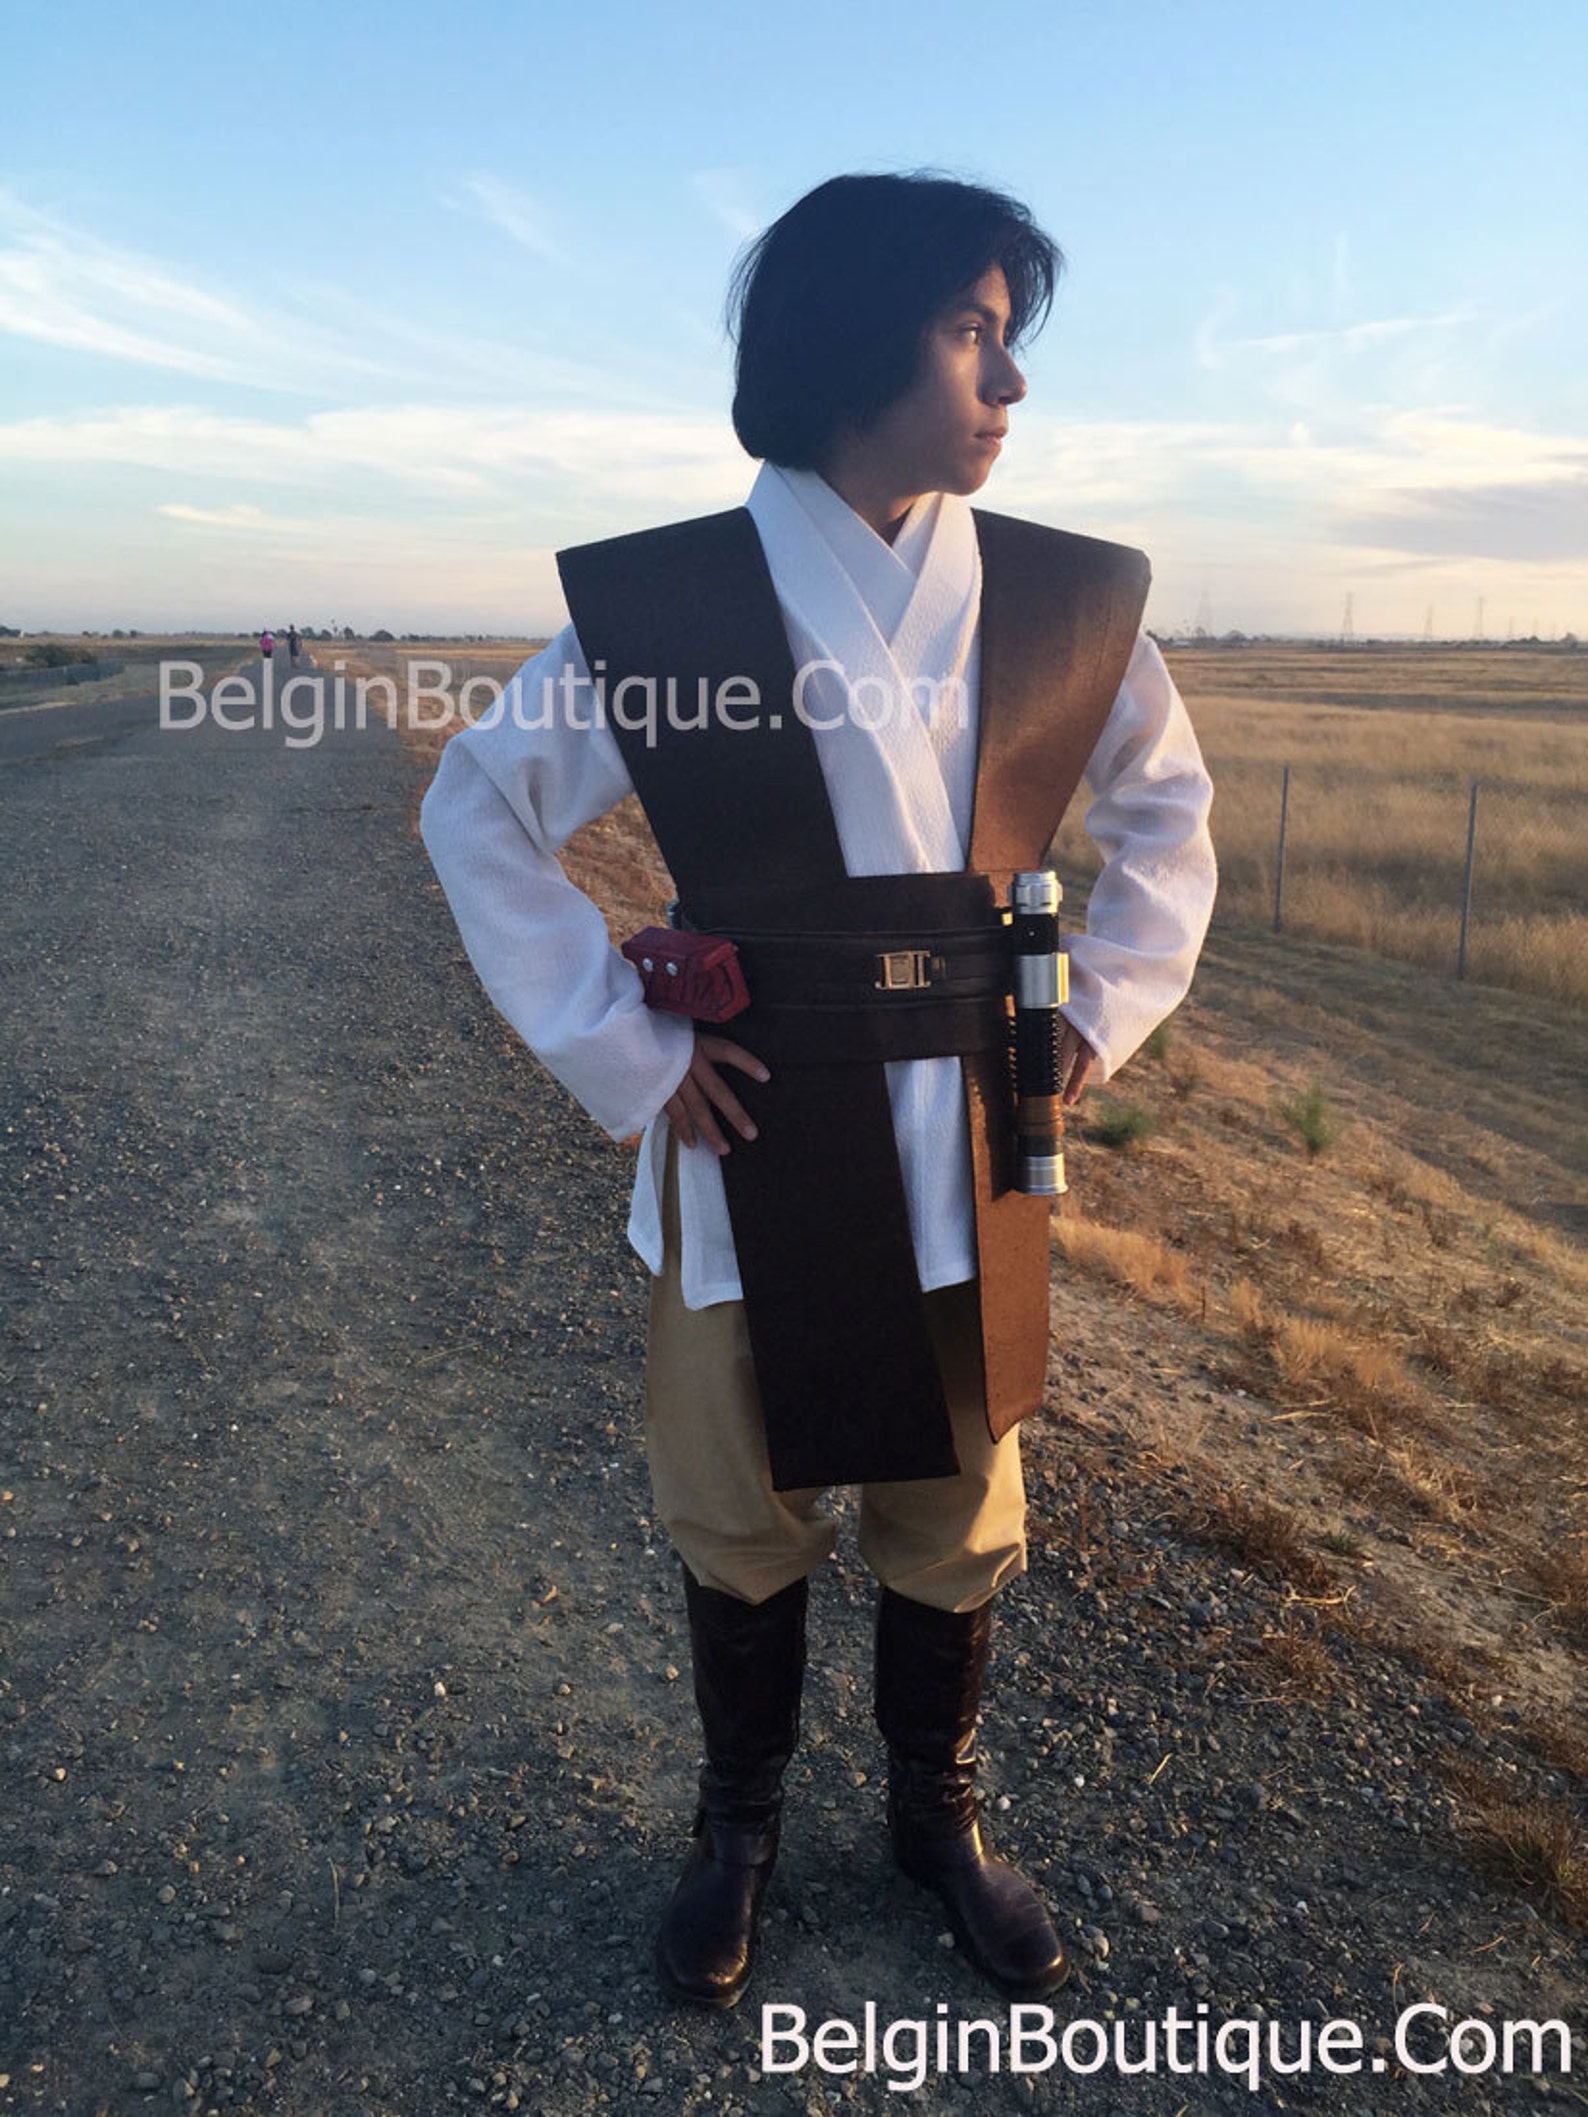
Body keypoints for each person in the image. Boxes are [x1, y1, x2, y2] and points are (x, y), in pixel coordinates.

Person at [419, 172, 1216, 2012]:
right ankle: (739, 1829)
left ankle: (939, 1820)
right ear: (854, 343)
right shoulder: (675, 604)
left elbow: (1168, 817)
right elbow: (480, 806)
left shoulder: (1063, 597)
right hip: (757, 1132)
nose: (1011, 381)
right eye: (971, 332)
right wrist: (629, 1049)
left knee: (962, 1498)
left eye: (1013, 336)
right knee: (739, 1496)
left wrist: (1097, 1012)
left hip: (970, 1138)